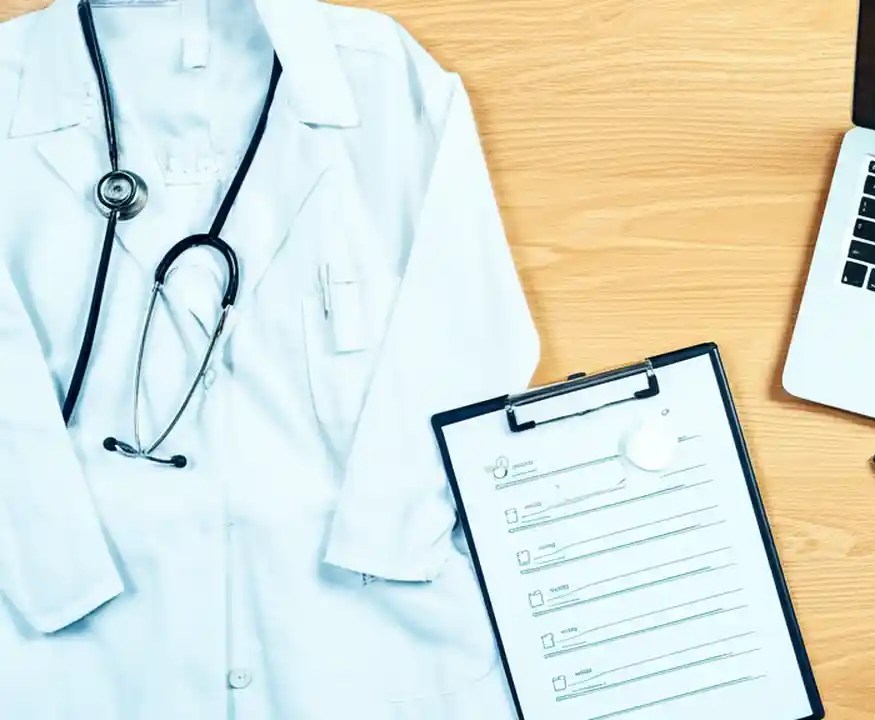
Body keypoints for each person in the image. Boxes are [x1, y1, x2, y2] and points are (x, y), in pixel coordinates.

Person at [0, 0, 538, 717]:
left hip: (375, 651)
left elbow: (470, 314)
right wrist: (46, 562)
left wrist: (396, 532)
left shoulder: (375, 76)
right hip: (83, 663)